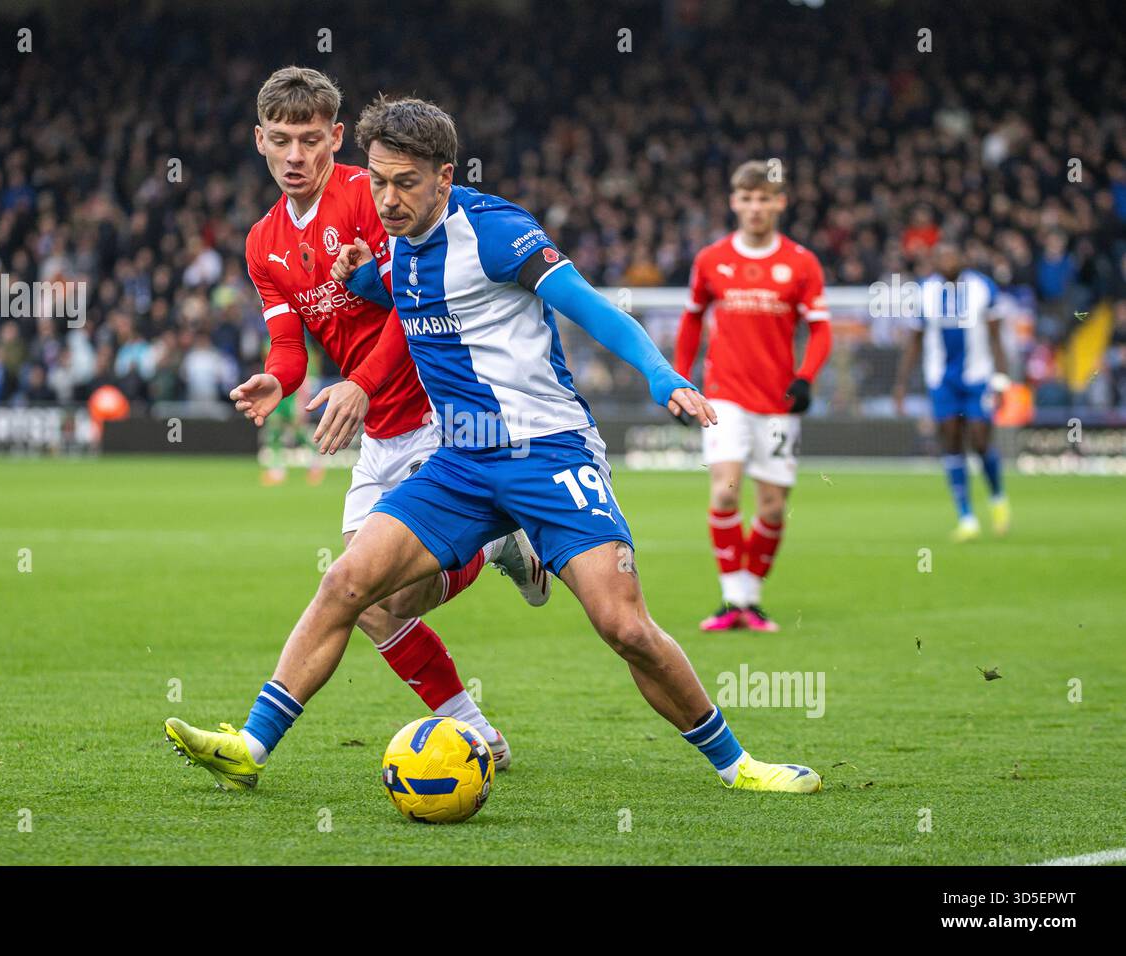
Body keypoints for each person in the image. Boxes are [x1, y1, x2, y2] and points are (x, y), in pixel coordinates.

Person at [165, 95, 820, 795]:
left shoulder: (498, 231)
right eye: (379, 181)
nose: (387, 199)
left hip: (550, 455)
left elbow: (593, 307)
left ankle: (739, 765)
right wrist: (359, 276)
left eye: (405, 183)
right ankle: (251, 746)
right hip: (461, 464)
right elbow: (394, 288)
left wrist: (664, 376)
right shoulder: (400, 247)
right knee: (346, 582)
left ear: (444, 177)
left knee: (624, 627)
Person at [674, 161, 832, 632]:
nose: (755, 207)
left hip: (778, 401)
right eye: (747, 198)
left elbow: (820, 330)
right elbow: (691, 321)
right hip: (724, 396)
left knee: (772, 507)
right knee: (724, 489)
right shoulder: (711, 259)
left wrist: (805, 377)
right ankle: (732, 600)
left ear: (780, 203)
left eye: (764, 198)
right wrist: (680, 380)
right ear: (734, 202)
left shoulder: (801, 263)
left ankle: (750, 600)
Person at [894, 241, 1011, 540]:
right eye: (941, 256)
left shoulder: (983, 288)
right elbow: (915, 341)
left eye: (952, 255)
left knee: (981, 439)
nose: (947, 260)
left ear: (963, 258)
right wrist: (902, 384)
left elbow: (997, 338)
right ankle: (966, 516)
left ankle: (997, 497)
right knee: (951, 440)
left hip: (978, 376)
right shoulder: (924, 291)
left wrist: (1001, 379)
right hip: (941, 379)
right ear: (933, 261)